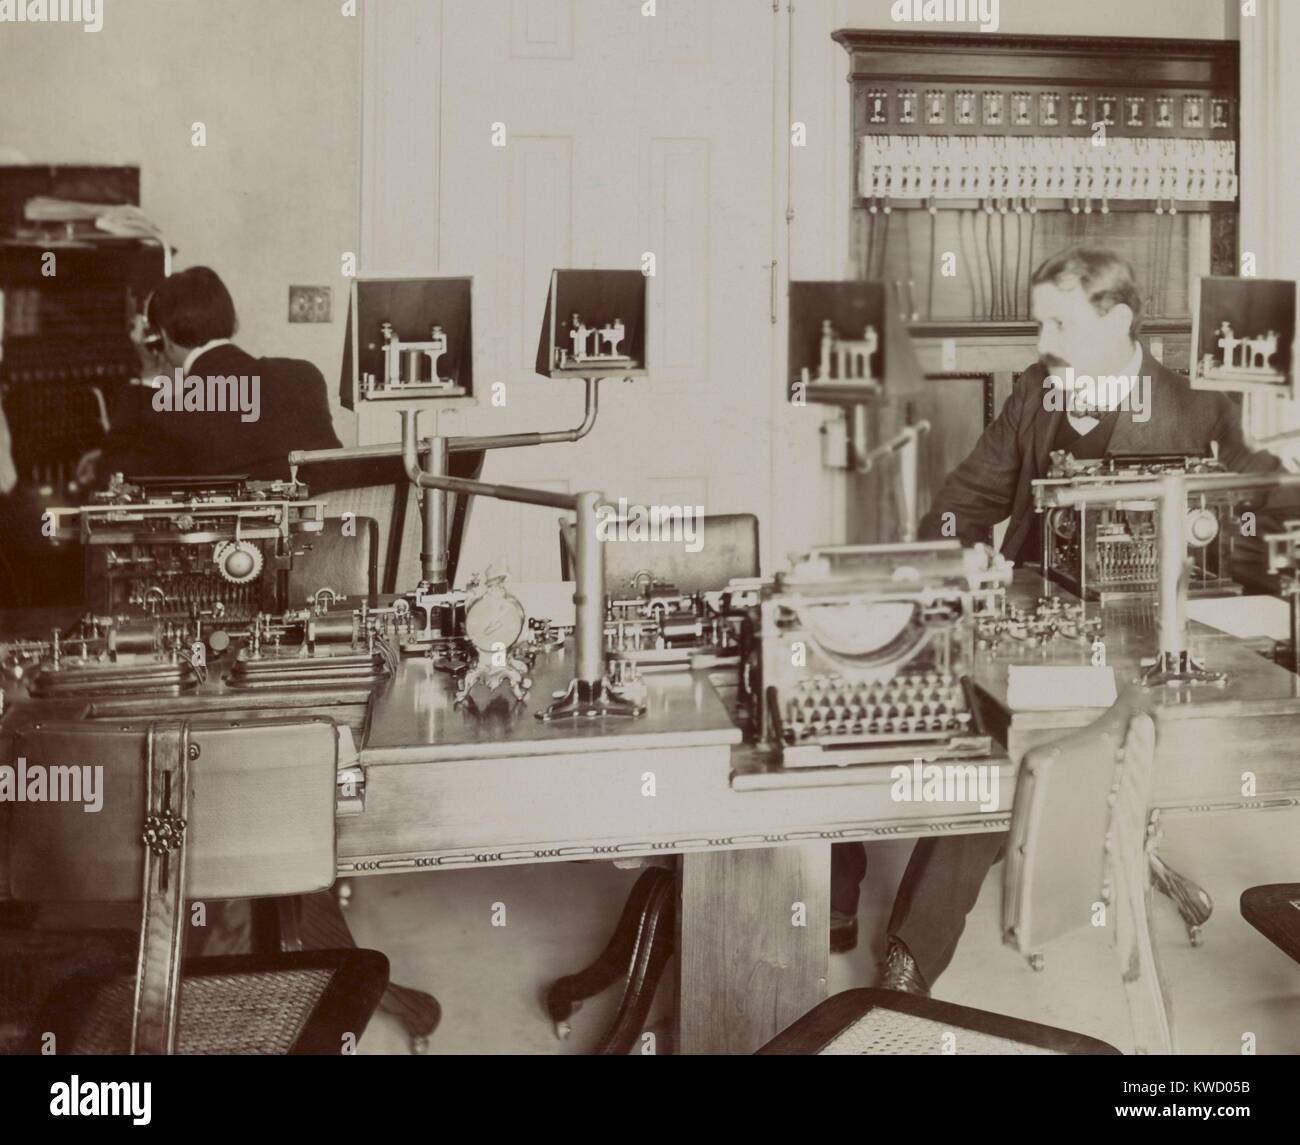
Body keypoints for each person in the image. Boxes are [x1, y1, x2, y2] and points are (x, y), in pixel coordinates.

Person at [834, 244, 1292, 994]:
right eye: (1038, 323)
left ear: (1117, 320)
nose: (1042, 342)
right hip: (1027, 605)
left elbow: (1264, 505)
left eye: (1058, 324)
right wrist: (953, 560)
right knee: (857, 689)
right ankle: (834, 884)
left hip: (1136, 632)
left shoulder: (1199, 407)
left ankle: (908, 965)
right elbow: (966, 498)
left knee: (1012, 747)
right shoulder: (1035, 392)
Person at [76, 266, 341, 486]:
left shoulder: (171, 413)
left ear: (162, 338)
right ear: (232, 320)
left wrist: (150, 372)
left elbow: (113, 476)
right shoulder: (303, 377)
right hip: (314, 532)